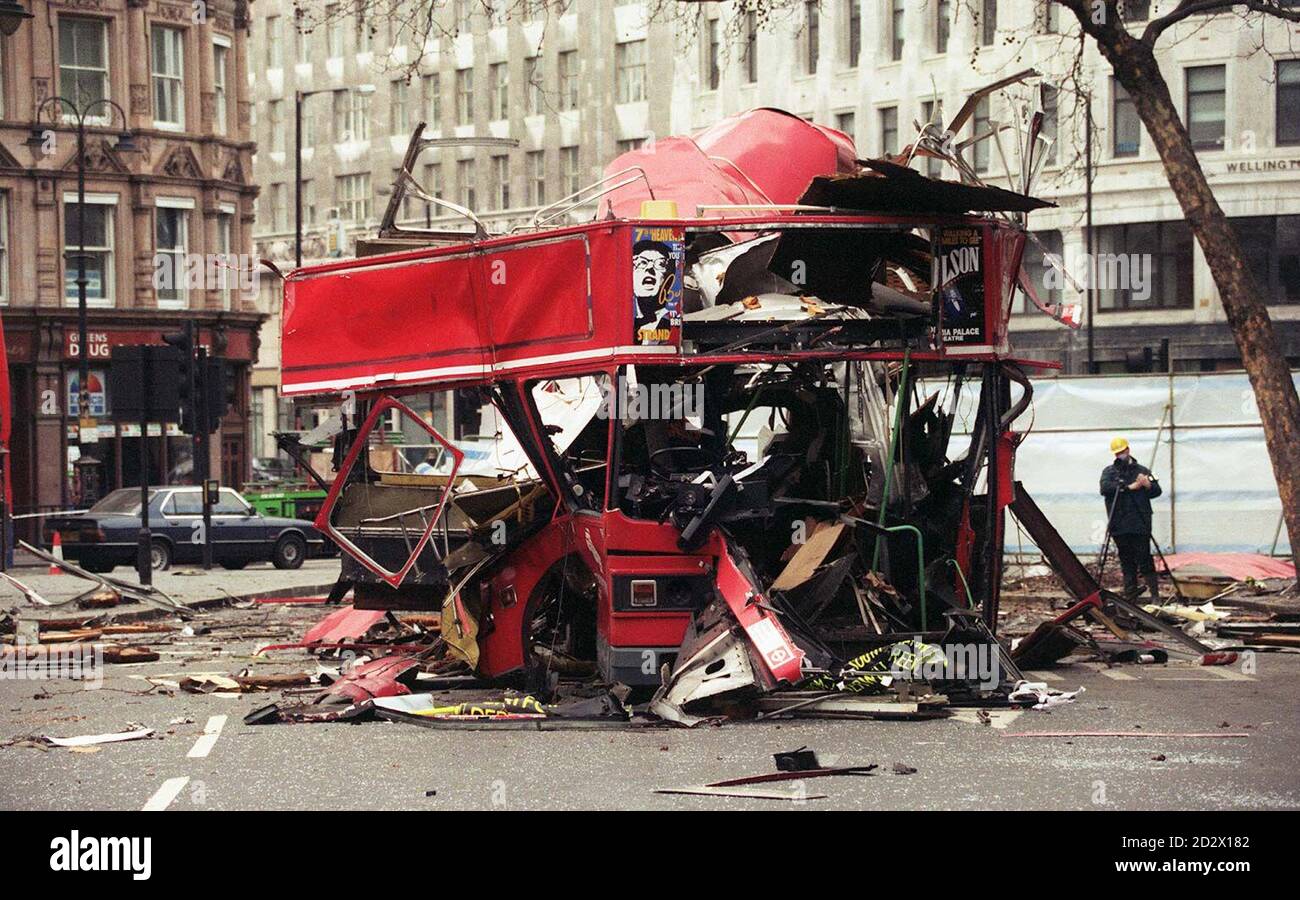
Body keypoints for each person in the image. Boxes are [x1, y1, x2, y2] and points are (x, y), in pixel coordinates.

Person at [1099, 436, 1163, 600]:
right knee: (1126, 560)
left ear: (1128, 450)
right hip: (1119, 523)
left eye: (1122, 451)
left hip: (1140, 522)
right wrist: (1128, 488)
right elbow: (1105, 488)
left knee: (1144, 557)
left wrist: (1147, 485)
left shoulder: (1142, 470)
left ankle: (1155, 595)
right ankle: (1130, 594)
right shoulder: (1110, 472)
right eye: (1118, 453)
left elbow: (1157, 490)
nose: (1121, 455)